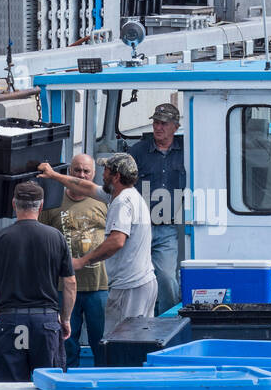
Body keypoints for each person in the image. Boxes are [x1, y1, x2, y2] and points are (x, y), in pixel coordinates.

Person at [0, 181, 75, 382]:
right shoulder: (56, 237)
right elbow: (70, 283)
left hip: (10, 323)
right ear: (41, 206)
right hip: (45, 324)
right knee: (49, 386)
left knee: (9, 388)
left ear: (14, 204)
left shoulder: (0, 237)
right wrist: (65, 318)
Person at [48, 153, 156, 335]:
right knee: (139, 340)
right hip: (143, 283)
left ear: (117, 176)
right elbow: (85, 187)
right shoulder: (124, 195)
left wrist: (82, 261)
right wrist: (53, 175)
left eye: (106, 170)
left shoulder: (122, 202)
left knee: (120, 342)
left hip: (129, 286)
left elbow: (116, 241)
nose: (102, 174)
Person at [40, 154, 109, 368]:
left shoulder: (103, 200)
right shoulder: (53, 203)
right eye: (77, 170)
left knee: (102, 343)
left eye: (86, 171)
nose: (81, 175)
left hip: (98, 285)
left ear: (94, 174)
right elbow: (42, 239)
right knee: (67, 342)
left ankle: (104, 385)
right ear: (70, 172)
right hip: (63, 286)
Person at [131, 102, 186, 314]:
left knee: (166, 277)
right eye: (155, 122)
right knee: (134, 279)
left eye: (163, 123)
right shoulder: (137, 152)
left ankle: (169, 322)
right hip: (139, 227)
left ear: (176, 126)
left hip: (167, 228)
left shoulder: (187, 151)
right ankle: (135, 324)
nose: (158, 127)